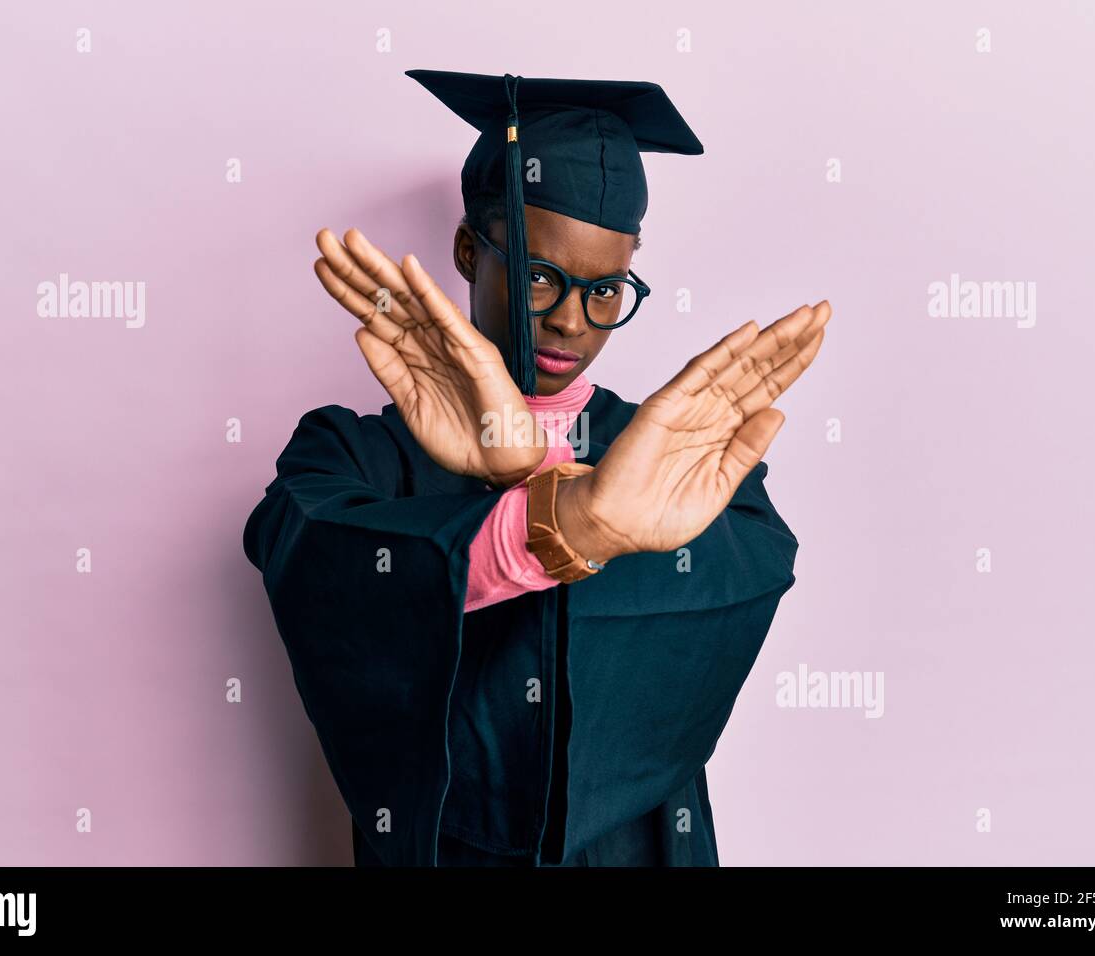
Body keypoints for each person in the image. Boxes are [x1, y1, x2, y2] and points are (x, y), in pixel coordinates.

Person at [242, 70, 832, 866]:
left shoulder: (663, 449)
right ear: (467, 250)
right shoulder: (357, 450)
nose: (568, 319)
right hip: (446, 846)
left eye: (605, 291)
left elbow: (750, 570)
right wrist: (549, 520)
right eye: (541, 275)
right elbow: (310, 560)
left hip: (639, 847)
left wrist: (568, 494)